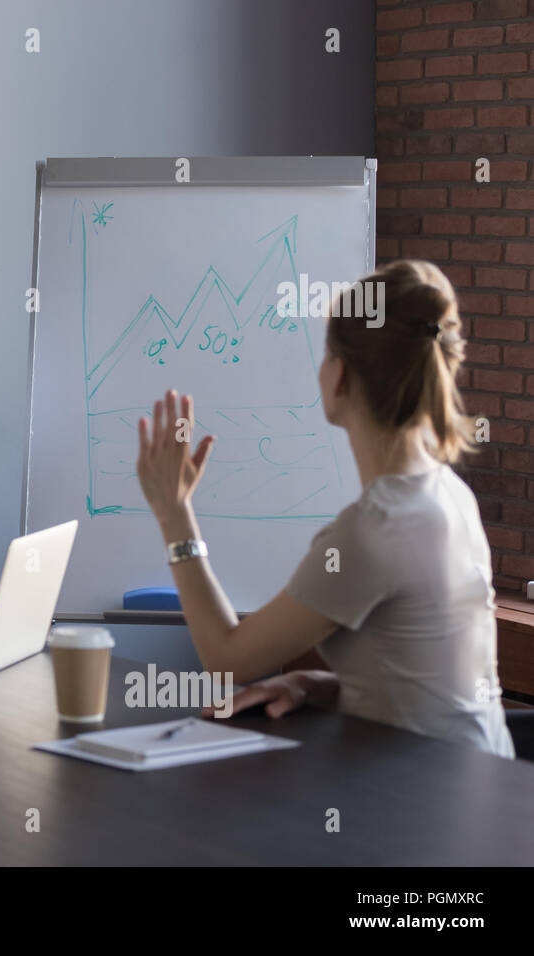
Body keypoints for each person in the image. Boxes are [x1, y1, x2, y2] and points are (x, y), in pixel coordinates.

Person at [134, 259, 515, 757]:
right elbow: (435, 688)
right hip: (480, 790)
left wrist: (173, 512)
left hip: (430, 814)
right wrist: (316, 684)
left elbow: (226, 661)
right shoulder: (447, 494)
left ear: (341, 377)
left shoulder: (374, 530)